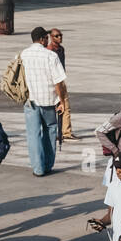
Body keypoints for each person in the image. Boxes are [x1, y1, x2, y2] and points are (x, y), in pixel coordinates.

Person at [21, 27, 69, 175]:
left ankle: (38, 168)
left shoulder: (24, 54)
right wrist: (62, 101)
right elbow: (59, 82)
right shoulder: (50, 56)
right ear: (42, 39)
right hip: (48, 101)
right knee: (50, 130)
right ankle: (48, 164)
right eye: (46, 38)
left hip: (31, 101)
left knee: (33, 134)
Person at [48, 27, 78, 140]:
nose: (60, 37)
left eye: (60, 35)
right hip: (52, 81)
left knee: (65, 106)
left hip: (61, 80)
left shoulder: (61, 49)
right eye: (57, 36)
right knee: (53, 107)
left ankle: (66, 132)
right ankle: (54, 132)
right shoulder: (49, 50)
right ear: (51, 37)